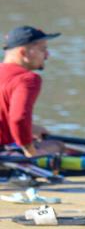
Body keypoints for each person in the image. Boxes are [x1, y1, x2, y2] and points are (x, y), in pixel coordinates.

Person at [2, 26, 66, 157]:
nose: (47, 55)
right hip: (5, 154)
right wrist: (30, 151)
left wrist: (31, 128)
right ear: (23, 53)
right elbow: (18, 119)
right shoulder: (27, 79)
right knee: (57, 145)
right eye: (43, 49)